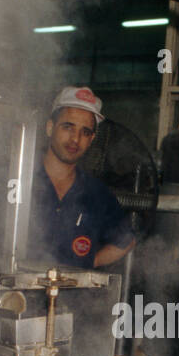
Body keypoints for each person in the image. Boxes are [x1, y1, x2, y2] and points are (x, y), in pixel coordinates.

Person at [30, 86, 136, 268]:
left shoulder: (97, 194)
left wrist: (89, 262)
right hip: (12, 293)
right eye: (68, 127)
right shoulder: (20, 178)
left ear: (92, 139)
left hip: (70, 295)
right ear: (50, 128)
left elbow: (126, 240)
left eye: (85, 132)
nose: (75, 139)